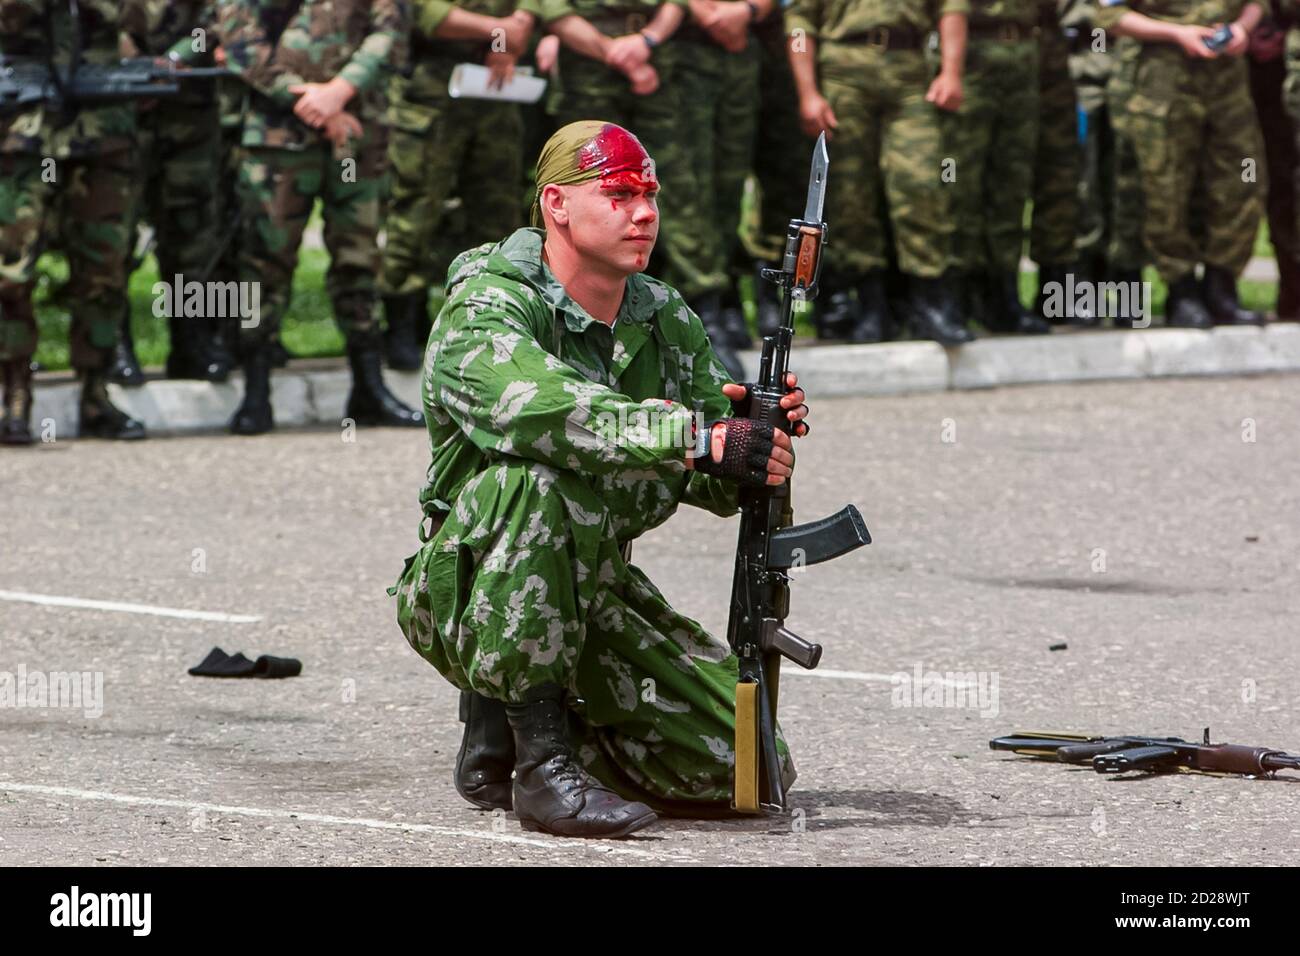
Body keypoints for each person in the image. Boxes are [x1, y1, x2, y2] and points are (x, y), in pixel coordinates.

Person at [392, 121, 810, 838]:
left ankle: (512, 733)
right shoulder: (485, 306)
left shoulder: (661, 316)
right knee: (537, 483)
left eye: (649, 195)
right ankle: (541, 765)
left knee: (746, 765)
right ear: (557, 204)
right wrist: (693, 436)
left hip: (590, 587)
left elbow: (707, 480)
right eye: (618, 195)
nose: (644, 212)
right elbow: (541, 411)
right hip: (473, 585)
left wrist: (754, 445)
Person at [216, 0, 423, 435]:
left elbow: (390, 31)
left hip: (359, 131)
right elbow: (240, 43)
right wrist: (312, 101)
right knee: (263, 262)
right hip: (277, 135)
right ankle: (256, 392)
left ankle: (368, 387)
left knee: (360, 259)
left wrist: (340, 90)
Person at [0, 0, 148, 446]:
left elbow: (150, 19)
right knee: (11, 270)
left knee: (104, 266)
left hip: (100, 124)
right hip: (24, 125)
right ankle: (16, 394)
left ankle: (95, 392)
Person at [787, 0, 974, 345]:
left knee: (921, 183)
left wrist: (951, 72)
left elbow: (951, 8)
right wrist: (807, 92)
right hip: (843, 71)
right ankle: (870, 304)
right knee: (852, 196)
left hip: (910, 72)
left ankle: (930, 302)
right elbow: (799, 24)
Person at [378, 0, 541, 371]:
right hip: (430, 96)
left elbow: (528, 8)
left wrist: (503, 45)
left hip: (495, 92)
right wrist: (498, 31)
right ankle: (404, 323)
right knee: (416, 210)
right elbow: (426, 14)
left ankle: (494, 318)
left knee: (497, 214)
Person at [1096, 0, 1268, 327]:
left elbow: (1258, 3)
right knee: (1165, 186)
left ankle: (1222, 288)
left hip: (1227, 82)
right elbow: (1110, 16)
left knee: (1243, 179)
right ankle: (1181, 289)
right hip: (1161, 78)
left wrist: (1242, 28)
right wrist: (1177, 34)